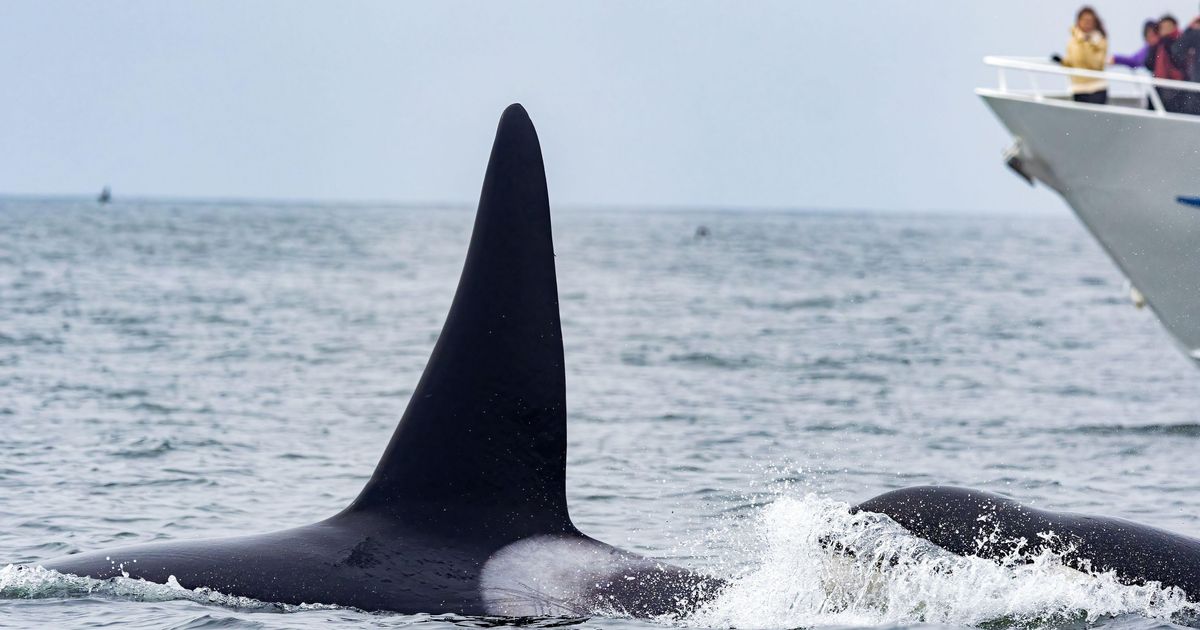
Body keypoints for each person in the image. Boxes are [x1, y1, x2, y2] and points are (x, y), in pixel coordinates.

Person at [1061, 6, 1109, 104]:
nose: (1087, 23)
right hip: (1079, 88)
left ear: (1095, 23)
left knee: (1094, 117)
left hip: (1096, 88)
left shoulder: (1099, 40)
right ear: (1078, 21)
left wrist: (1086, 43)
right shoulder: (1073, 41)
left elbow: (1096, 64)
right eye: (1084, 20)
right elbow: (1072, 62)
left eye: (1090, 21)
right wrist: (1061, 61)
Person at [1147, 15, 1188, 112]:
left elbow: (1180, 62)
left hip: (1175, 87)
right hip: (1160, 85)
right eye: (1163, 28)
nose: (1165, 30)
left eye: (1168, 27)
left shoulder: (1180, 42)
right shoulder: (1159, 44)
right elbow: (1148, 63)